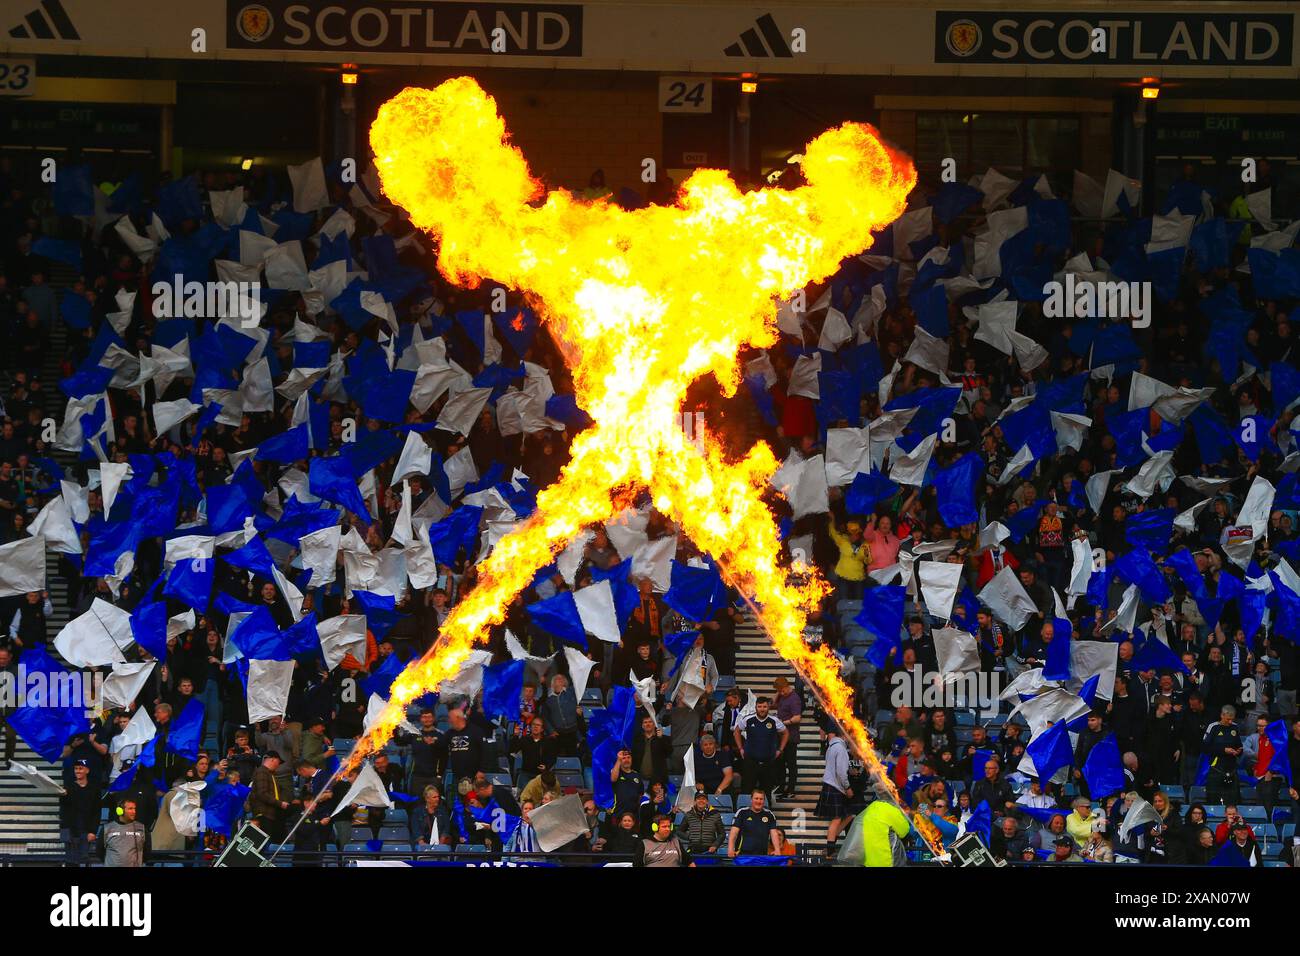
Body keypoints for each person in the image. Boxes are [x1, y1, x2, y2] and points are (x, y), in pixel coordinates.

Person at [734, 696, 788, 797]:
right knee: (746, 789)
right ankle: (744, 810)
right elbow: (737, 731)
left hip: (768, 761)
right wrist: (741, 748)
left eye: (764, 707)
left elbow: (785, 733)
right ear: (756, 707)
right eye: (759, 706)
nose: (762, 709)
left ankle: (766, 811)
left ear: (768, 708)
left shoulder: (774, 720)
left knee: (766, 790)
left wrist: (780, 750)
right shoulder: (748, 719)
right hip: (750, 761)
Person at [816, 724, 853, 858]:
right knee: (836, 820)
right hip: (836, 787)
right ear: (844, 734)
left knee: (848, 815)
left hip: (830, 785)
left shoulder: (831, 747)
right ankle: (830, 851)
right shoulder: (841, 748)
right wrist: (847, 787)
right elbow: (841, 772)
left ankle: (830, 848)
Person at [58, 759, 100, 865]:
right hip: (69, 830)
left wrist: (93, 831)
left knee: (84, 860)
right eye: (76, 768)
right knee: (70, 861)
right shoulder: (68, 787)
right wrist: (63, 796)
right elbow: (63, 809)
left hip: (85, 831)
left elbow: (96, 811)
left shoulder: (94, 789)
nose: (78, 771)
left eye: (80, 768)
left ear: (87, 770)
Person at [248, 751, 290, 842]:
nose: (278, 765)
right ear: (273, 759)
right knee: (265, 843)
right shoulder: (262, 772)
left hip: (270, 814)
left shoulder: (269, 774)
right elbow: (262, 794)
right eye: (278, 762)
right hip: (264, 814)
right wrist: (280, 804)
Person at [772, 677, 803, 797]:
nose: (781, 693)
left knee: (791, 763)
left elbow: (797, 717)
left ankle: (791, 789)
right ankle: (780, 786)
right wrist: (778, 692)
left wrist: (783, 723)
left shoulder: (794, 699)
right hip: (780, 736)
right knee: (780, 763)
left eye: (782, 690)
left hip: (791, 736)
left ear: (787, 686)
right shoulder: (781, 696)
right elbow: (773, 704)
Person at [728, 789, 777, 857]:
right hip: (742, 855)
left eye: (761, 799)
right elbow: (734, 833)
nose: (758, 801)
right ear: (751, 799)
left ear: (764, 801)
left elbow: (774, 834)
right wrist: (730, 849)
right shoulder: (742, 812)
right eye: (756, 798)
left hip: (762, 855)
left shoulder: (769, 814)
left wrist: (777, 849)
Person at [102, 798, 147, 867]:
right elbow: (100, 851)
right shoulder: (107, 828)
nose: (134, 811)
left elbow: (147, 852)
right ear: (120, 811)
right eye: (130, 809)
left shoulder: (141, 828)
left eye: (134, 809)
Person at [681, 788, 725, 855]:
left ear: (707, 801)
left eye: (703, 799)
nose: (701, 801)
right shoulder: (689, 815)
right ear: (695, 801)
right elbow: (679, 831)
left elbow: (722, 834)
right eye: (699, 799)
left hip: (709, 851)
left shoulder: (715, 814)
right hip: (693, 850)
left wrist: (715, 845)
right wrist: (689, 837)